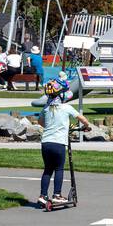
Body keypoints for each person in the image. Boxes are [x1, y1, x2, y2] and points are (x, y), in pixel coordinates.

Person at [30, 78, 92, 207]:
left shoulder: (46, 108)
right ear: (61, 94)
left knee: (48, 169)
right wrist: (87, 125)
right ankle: (57, 195)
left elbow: (41, 122)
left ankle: (43, 195)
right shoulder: (66, 107)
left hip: (46, 142)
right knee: (59, 168)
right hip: (58, 143)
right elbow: (82, 118)